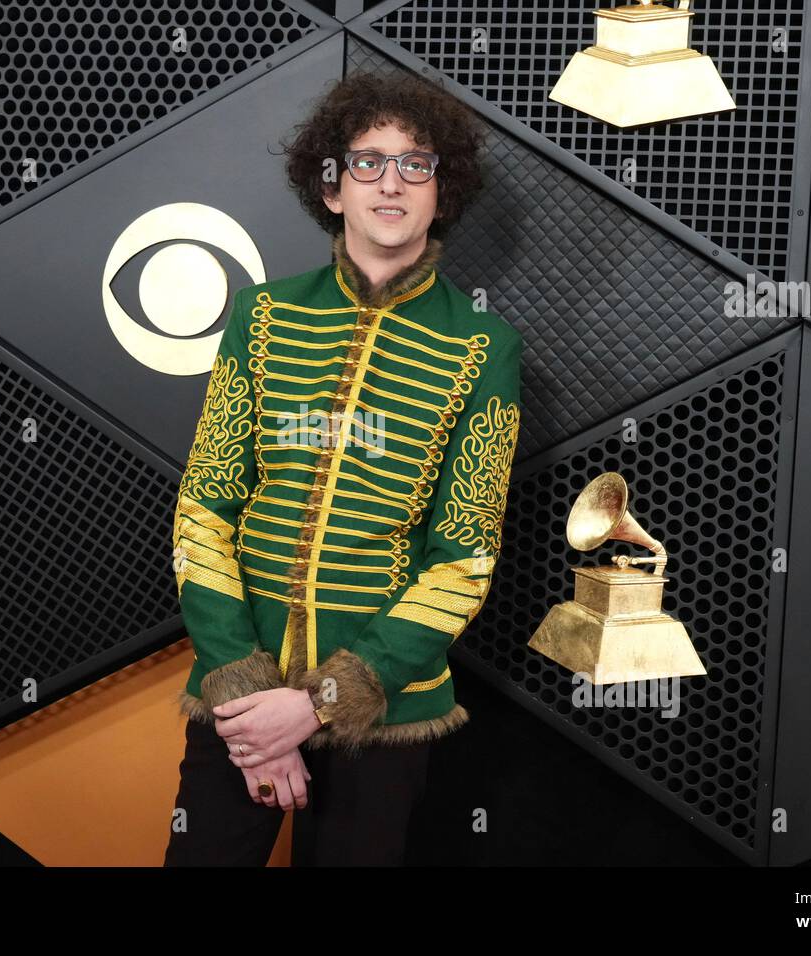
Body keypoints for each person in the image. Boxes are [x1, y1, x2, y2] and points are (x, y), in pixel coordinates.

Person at [164, 70, 523, 866]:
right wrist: (248, 692)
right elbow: (205, 509)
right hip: (240, 709)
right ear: (332, 189)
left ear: (442, 191)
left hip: (386, 719)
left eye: (415, 164)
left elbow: (463, 558)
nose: (390, 182)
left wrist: (323, 703)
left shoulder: (482, 347)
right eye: (367, 161)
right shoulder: (261, 316)